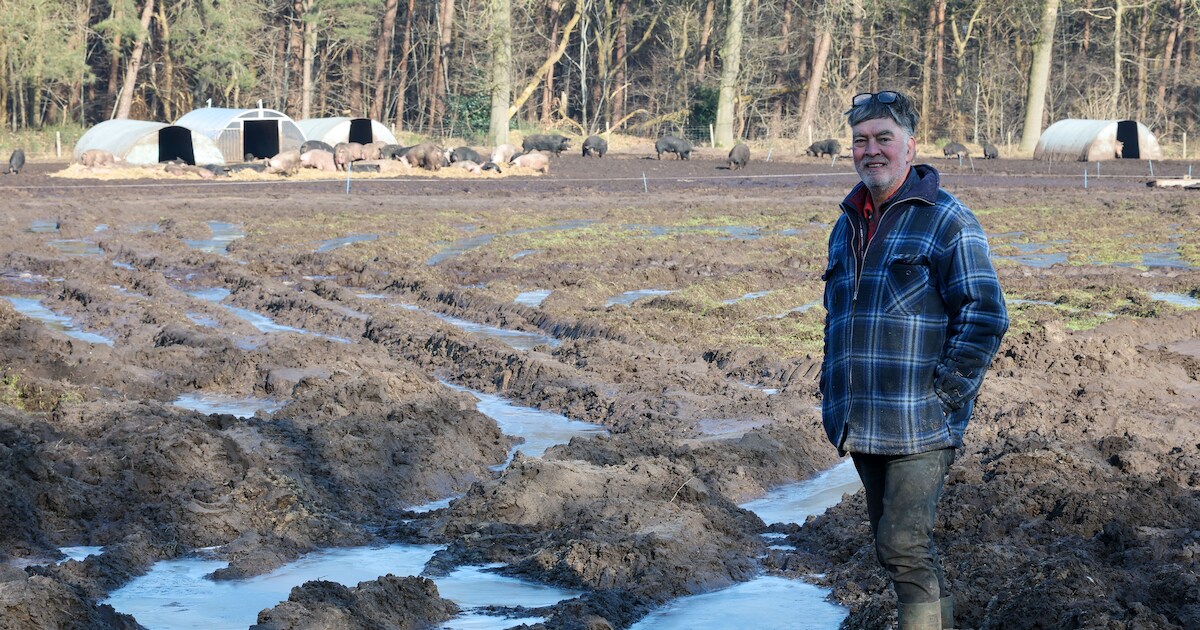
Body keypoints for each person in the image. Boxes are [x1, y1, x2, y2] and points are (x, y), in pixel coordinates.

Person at [820, 90, 1008, 629]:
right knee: (895, 547)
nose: (871, 150)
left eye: (883, 138)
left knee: (903, 543)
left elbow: (986, 314)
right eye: (861, 140)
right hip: (862, 417)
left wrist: (945, 395)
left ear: (910, 146)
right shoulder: (848, 223)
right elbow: (839, 316)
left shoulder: (947, 220)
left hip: (920, 419)